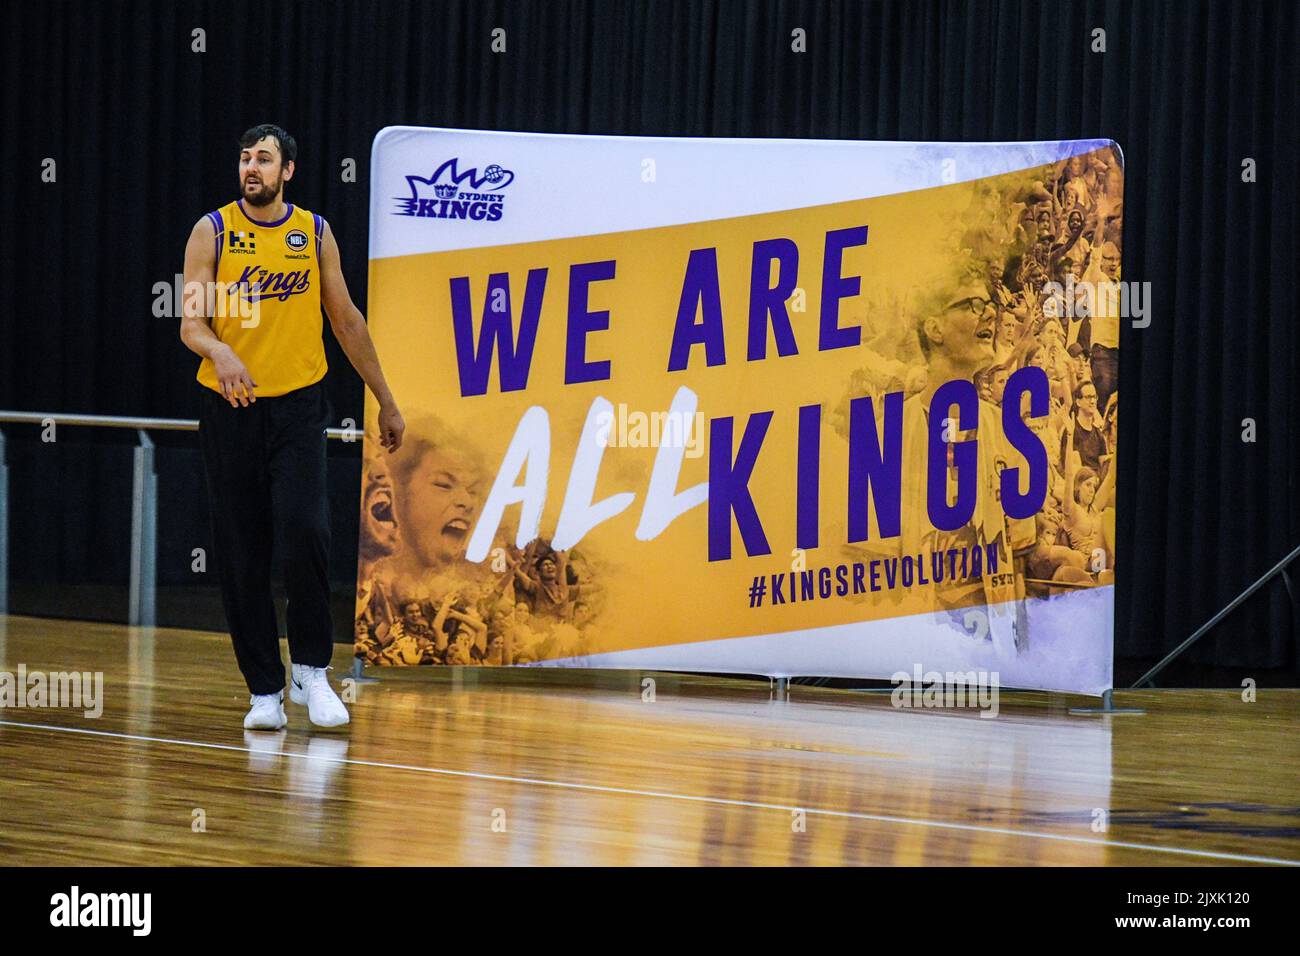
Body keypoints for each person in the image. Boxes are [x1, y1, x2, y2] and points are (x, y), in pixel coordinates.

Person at [180, 124, 405, 729]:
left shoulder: (314, 232)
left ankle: (311, 669)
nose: (251, 167)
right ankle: (264, 690)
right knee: (241, 549)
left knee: (307, 529)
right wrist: (220, 353)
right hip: (231, 408)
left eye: (264, 159)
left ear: (289, 172)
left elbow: (347, 320)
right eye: (245, 157)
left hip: (299, 407)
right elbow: (191, 323)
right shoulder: (214, 230)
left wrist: (385, 396)